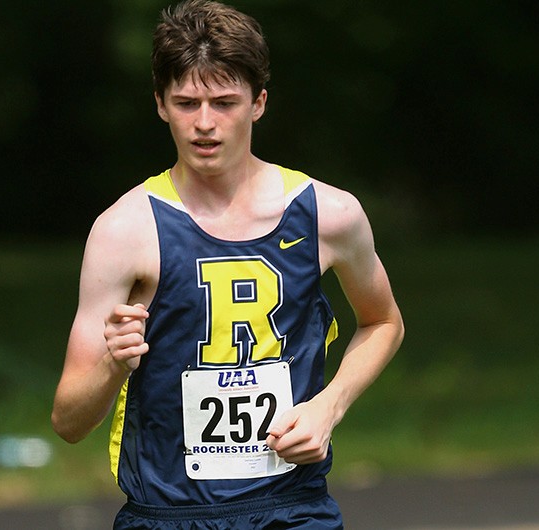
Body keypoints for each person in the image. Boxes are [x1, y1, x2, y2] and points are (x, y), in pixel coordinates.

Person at [51, 1, 404, 527]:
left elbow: (383, 322)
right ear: (160, 105)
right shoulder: (124, 231)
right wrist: (112, 365)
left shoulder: (327, 214)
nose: (205, 124)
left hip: (292, 508)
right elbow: (68, 421)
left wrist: (328, 408)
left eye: (224, 102)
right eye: (187, 103)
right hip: (167, 515)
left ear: (259, 103)